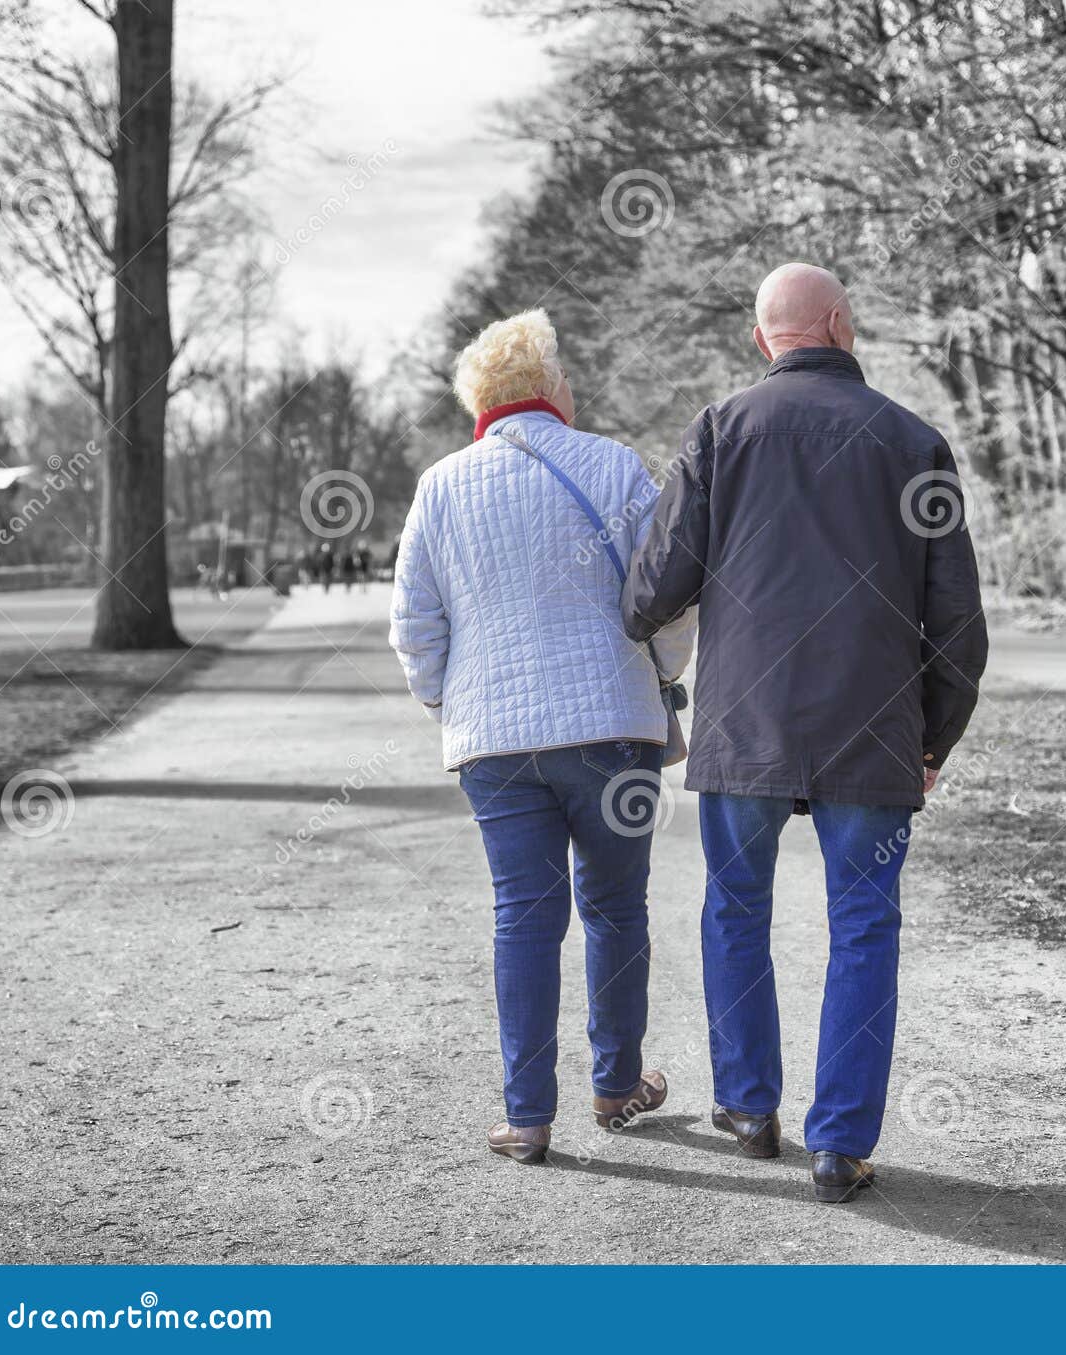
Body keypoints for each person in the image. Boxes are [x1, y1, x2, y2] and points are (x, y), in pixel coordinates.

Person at [623, 262, 988, 1203]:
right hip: (874, 729)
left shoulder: (718, 431)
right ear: (841, 326)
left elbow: (651, 593)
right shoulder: (916, 442)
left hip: (745, 723)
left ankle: (749, 1107)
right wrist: (932, 736)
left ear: (763, 339)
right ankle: (839, 1146)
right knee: (863, 923)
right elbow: (957, 622)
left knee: (734, 907)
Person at [391, 309, 695, 1166]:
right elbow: (666, 591)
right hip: (613, 733)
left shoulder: (440, 485)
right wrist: (667, 674)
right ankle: (616, 1083)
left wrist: (443, 701)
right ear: (550, 385)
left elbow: (414, 621)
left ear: (478, 399)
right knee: (616, 905)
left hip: (494, 743)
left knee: (523, 917)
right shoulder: (613, 465)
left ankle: (527, 1118)